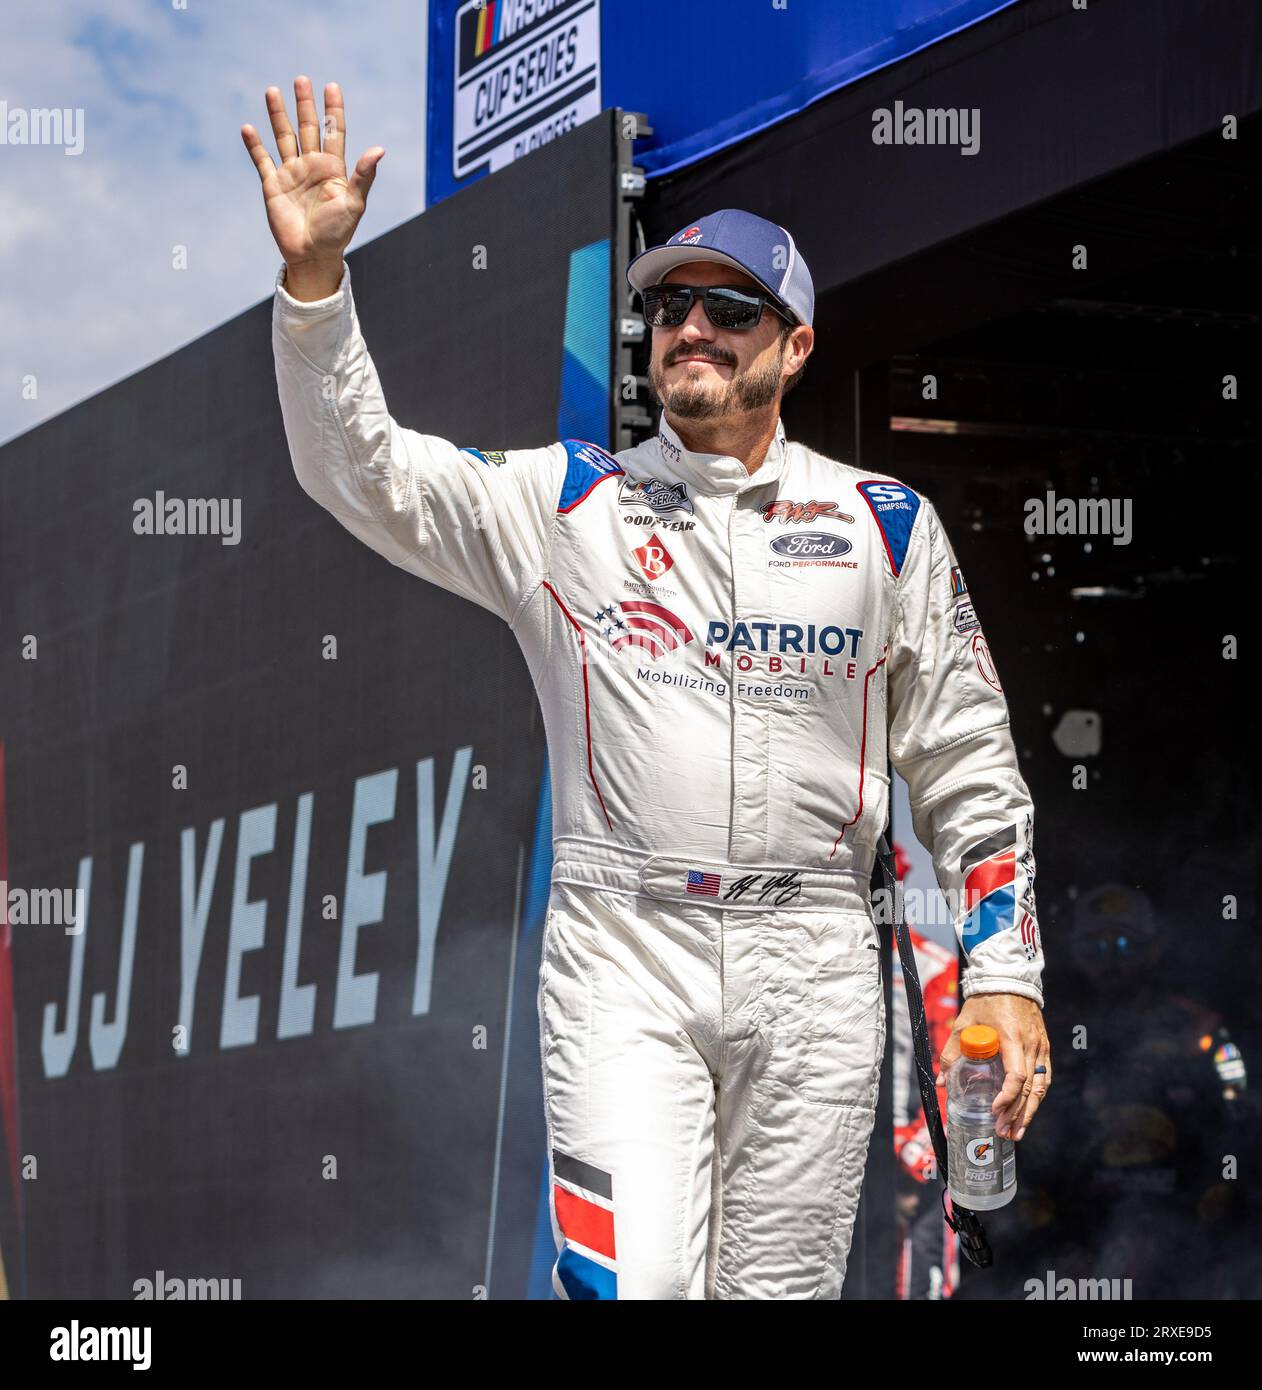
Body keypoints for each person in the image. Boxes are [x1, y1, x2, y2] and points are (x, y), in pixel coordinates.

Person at [245, 77, 1051, 1300]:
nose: (690, 328)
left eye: (730, 307)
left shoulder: (885, 525)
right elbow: (358, 469)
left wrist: (1002, 971)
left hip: (818, 956)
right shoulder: (569, 503)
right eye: (670, 305)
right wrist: (315, 291)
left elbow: (967, 770)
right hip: (624, 949)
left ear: (796, 344)